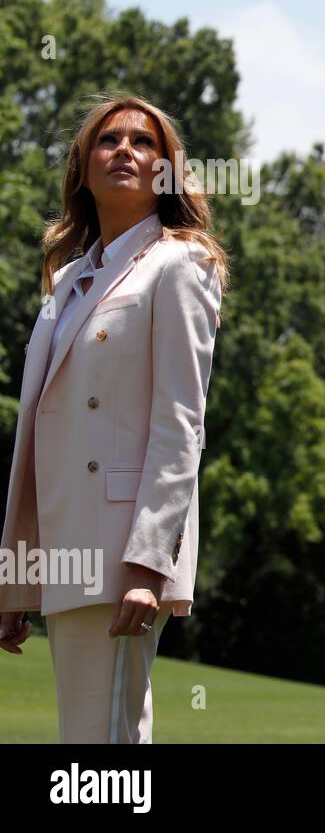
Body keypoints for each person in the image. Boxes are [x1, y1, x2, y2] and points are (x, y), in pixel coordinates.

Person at [0, 94, 225, 743]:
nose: (125, 150)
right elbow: (40, 437)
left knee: (109, 743)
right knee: (85, 738)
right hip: (66, 551)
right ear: (82, 167)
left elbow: (181, 423)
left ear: (166, 171)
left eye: (144, 141)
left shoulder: (181, 263)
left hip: (126, 550)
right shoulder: (69, 279)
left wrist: (150, 563)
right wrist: (19, 576)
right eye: (108, 140)